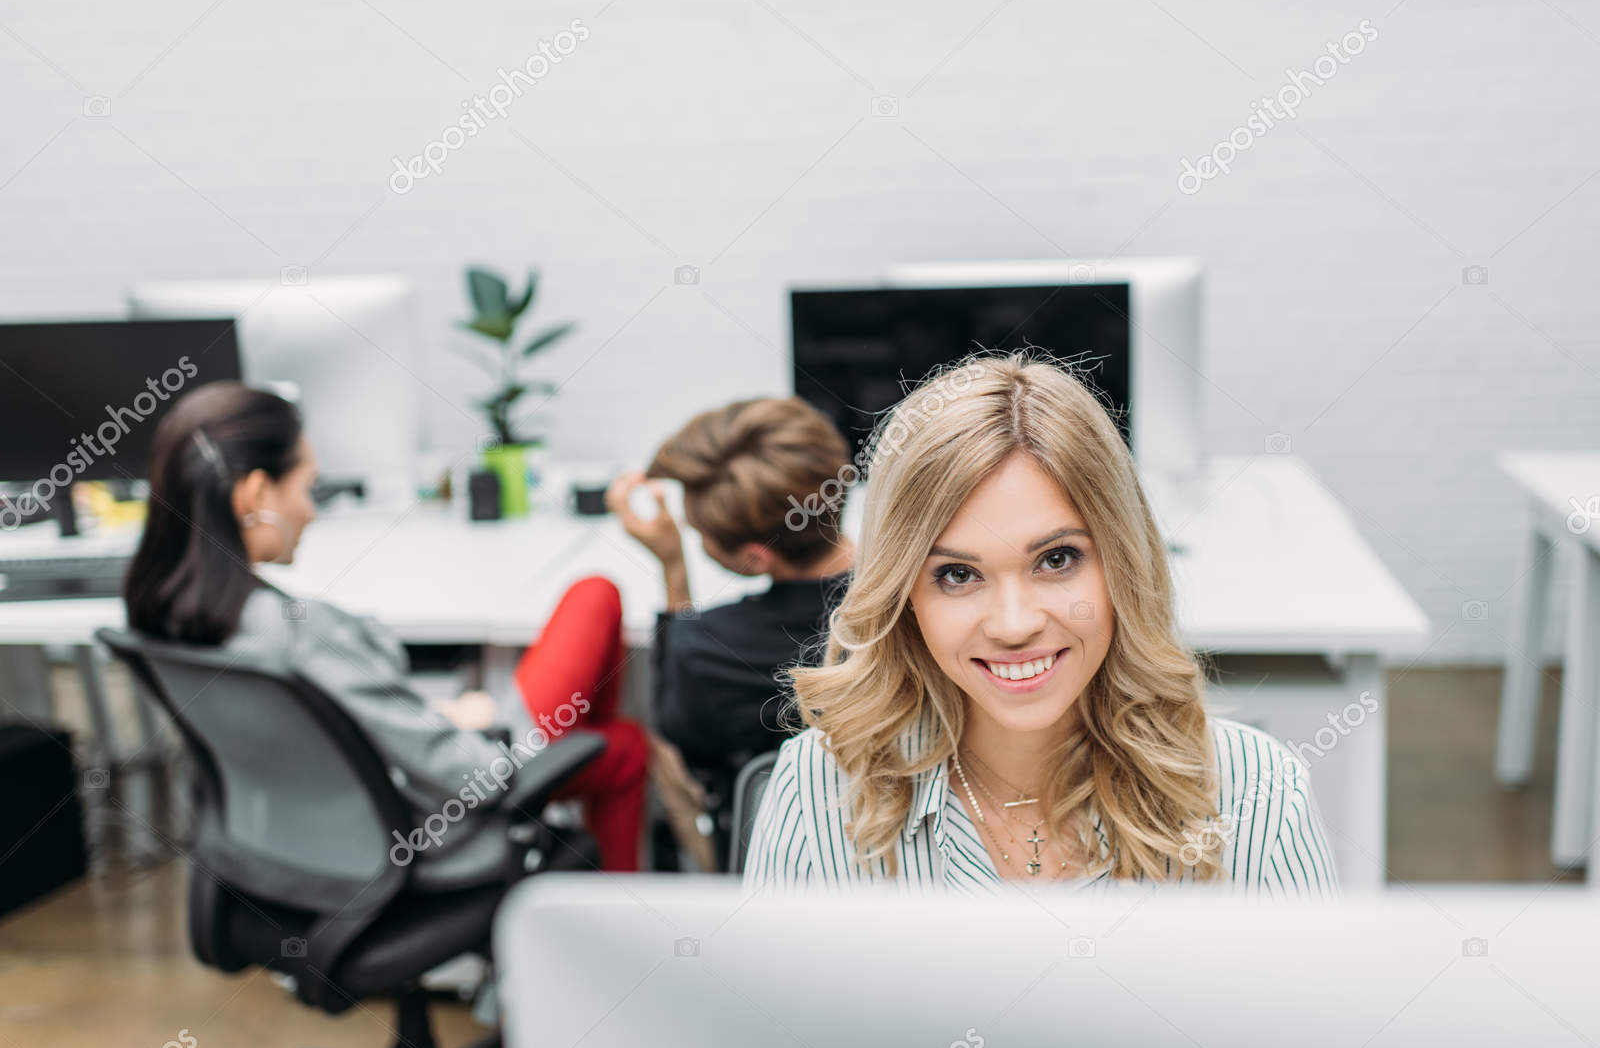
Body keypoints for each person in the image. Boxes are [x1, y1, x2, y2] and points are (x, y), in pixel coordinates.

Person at [742, 352, 1339, 898]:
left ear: (1123, 567)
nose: (1012, 624)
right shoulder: (819, 788)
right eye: (956, 574)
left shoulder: (1256, 792)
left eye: (1057, 560)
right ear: (905, 596)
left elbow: (1309, 1012)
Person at [122, 381, 650, 871]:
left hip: (288, 840)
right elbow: (471, 777)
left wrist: (429, 714)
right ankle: (608, 935)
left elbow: (318, 725)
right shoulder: (299, 633)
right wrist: (474, 727)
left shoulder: (159, 608)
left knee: (598, 719)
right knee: (614, 701)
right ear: (255, 495)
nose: (311, 513)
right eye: (306, 488)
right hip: (419, 828)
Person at [606, 397, 855, 868]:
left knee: (665, 751)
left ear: (757, 558)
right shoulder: (926, 600)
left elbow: (680, 729)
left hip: (777, 852)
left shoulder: (707, 649)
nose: (696, 539)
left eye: (699, 532)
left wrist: (673, 566)